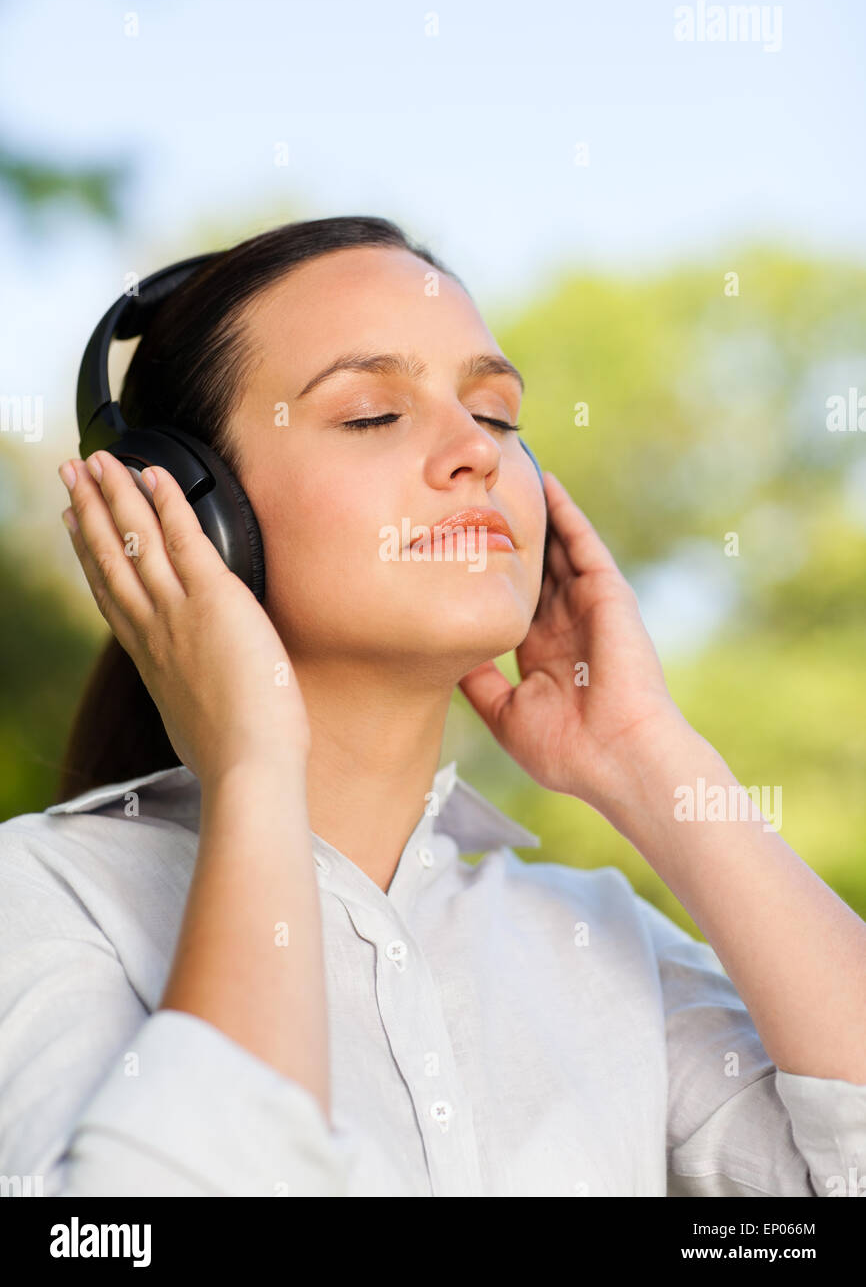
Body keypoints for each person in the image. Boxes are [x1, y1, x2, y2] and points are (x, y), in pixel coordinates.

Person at [0, 215, 864, 1198]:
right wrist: (252, 763)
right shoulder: (40, 899)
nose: (476, 454)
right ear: (187, 511)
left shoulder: (595, 943)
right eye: (373, 412)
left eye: (495, 414)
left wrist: (646, 755)